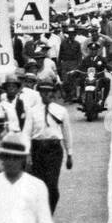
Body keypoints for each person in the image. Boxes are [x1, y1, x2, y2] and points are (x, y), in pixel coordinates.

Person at [23, 79, 73, 214]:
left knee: (51, 185)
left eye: (49, 91)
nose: (46, 94)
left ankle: (48, 213)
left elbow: (66, 132)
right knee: (38, 184)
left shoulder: (61, 111)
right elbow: (26, 133)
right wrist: (27, 155)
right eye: (43, 92)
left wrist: (69, 153)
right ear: (39, 93)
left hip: (54, 150)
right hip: (37, 149)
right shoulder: (32, 112)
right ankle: (40, 213)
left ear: (53, 93)